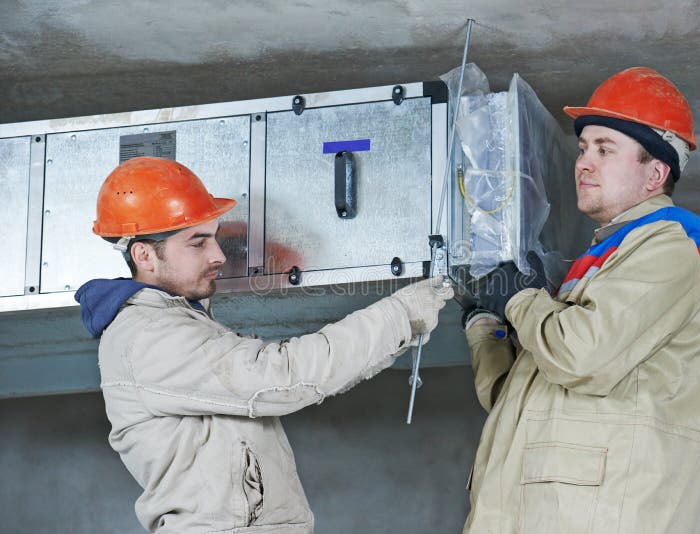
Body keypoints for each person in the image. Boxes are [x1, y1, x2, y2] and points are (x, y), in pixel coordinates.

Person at [75, 156, 453, 533]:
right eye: (197, 242)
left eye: (216, 237)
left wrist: (402, 328)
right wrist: (399, 317)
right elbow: (282, 377)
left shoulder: (175, 324)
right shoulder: (148, 335)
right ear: (144, 255)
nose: (219, 255)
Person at [461, 67, 700, 533]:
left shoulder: (674, 244)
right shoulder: (600, 262)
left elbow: (580, 356)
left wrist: (521, 297)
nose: (584, 162)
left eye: (605, 149)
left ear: (656, 173)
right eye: (583, 148)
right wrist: (485, 325)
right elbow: (519, 402)